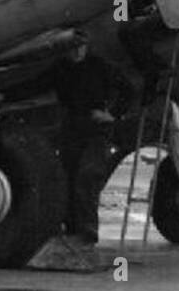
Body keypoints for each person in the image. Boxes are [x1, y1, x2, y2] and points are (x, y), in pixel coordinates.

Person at [48, 31, 132, 245]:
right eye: (72, 47)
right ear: (66, 50)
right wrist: (3, 95)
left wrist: (112, 115)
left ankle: (87, 230)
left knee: (87, 177)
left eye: (80, 47)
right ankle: (72, 228)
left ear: (86, 46)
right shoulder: (60, 69)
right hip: (71, 129)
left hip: (96, 130)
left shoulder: (100, 66)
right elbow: (34, 84)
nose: (77, 51)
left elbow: (128, 90)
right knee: (68, 177)